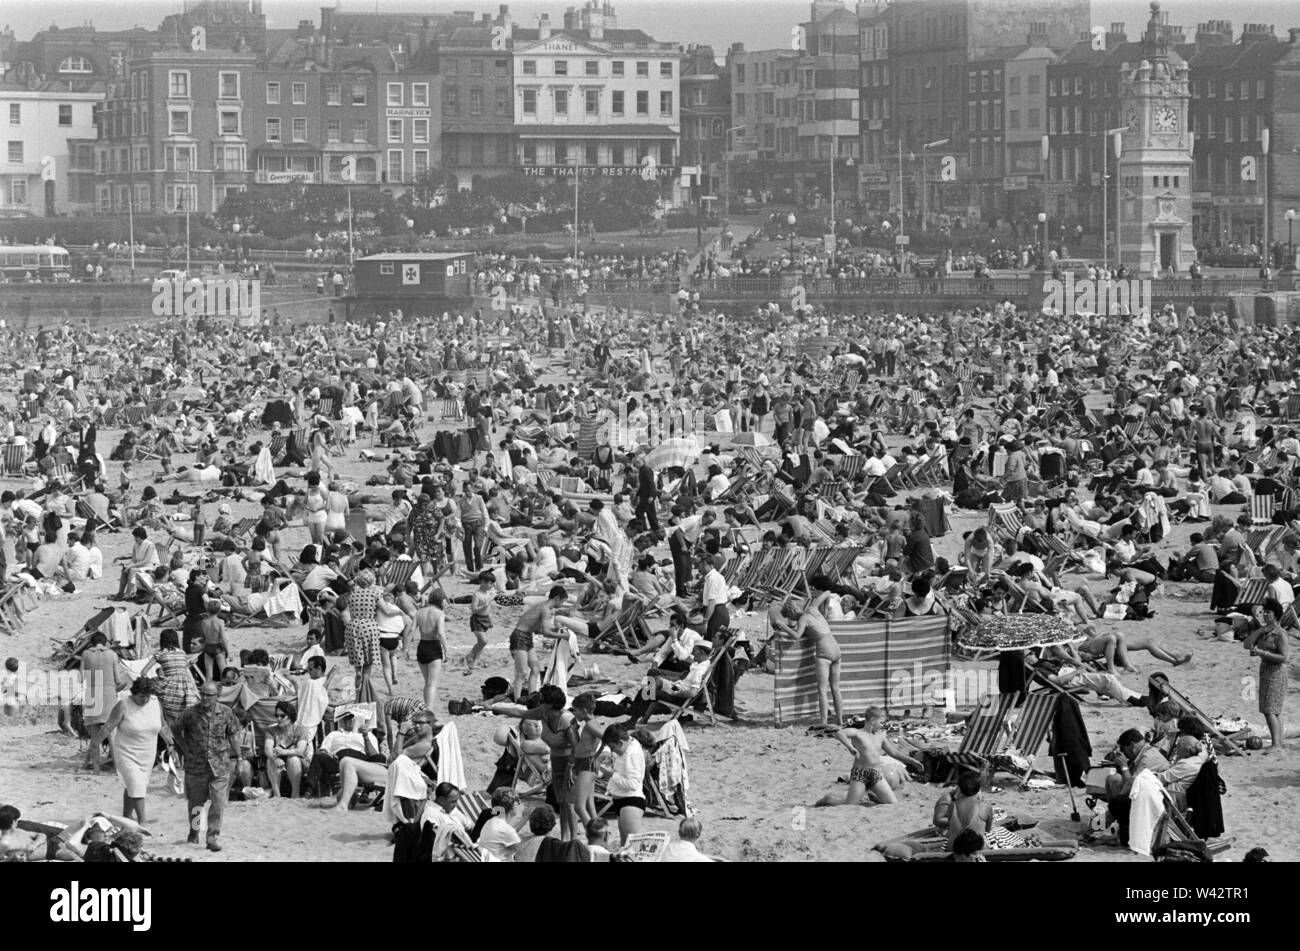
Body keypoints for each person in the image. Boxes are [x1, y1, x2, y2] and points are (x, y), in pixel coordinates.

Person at [173, 682, 243, 852]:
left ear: (217, 695)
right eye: (202, 694)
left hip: (219, 766)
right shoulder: (190, 714)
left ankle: (212, 837)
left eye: (208, 695)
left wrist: (239, 757)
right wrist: (184, 747)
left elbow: (233, 735)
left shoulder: (226, 713)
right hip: (196, 766)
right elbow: (175, 729)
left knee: (218, 803)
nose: (204, 698)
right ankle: (194, 831)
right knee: (196, 804)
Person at [816, 706, 922, 806]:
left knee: (892, 803)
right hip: (860, 774)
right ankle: (829, 798)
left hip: (877, 774)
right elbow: (838, 733)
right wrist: (850, 747)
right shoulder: (858, 733)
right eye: (881, 722)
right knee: (850, 804)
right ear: (872, 720)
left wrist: (912, 761)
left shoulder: (881, 735)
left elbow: (893, 752)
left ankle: (870, 794)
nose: (882, 725)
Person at [105, 679, 171, 826]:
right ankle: (142, 822)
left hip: (147, 754)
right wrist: (94, 744)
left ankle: (126, 817)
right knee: (137, 785)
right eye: (142, 696)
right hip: (126, 752)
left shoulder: (155, 702)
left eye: (147, 696)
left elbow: (163, 726)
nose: (145, 699)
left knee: (133, 786)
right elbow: (109, 726)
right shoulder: (123, 704)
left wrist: (171, 743)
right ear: (133, 694)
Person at [80, 631, 131, 772]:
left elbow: (80, 678)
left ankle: (96, 768)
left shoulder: (85, 654)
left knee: (94, 732)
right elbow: (118, 680)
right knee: (111, 732)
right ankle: (117, 767)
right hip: (109, 693)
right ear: (105, 641)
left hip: (92, 692)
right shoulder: (112, 655)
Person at [1243, 597, 1289, 752]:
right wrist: (1260, 630)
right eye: (1264, 612)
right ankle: (1278, 742)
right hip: (1266, 671)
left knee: (1270, 709)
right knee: (1271, 709)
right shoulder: (1265, 631)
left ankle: (1276, 744)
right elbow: (1247, 644)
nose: (1265, 615)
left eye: (1268, 613)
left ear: (1275, 615)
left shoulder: (1280, 634)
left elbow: (1284, 657)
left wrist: (1263, 652)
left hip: (1276, 672)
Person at [139, 627, 198, 726]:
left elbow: (143, 672)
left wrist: (155, 681)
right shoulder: (182, 653)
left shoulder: (160, 654)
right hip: (186, 686)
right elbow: (183, 669)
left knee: (168, 714)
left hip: (170, 685)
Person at [601, 723, 645, 845]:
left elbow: (633, 784)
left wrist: (611, 775)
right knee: (624, 845)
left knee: (632, 847)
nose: (613, 750)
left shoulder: (632, 754)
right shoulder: (628, 745)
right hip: (621, 799)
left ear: (621, 742)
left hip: (631, 801)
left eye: (613, 747)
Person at [264, 700, 311, 798]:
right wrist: (275, 759)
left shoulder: (300, 729)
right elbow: (267, 748)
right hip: (279, 761)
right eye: (276, 716)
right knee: (270, 760)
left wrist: (283, 752)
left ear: (290, 716)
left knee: (293, 759)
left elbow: (300, 750)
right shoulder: (271, 729)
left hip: (299, 761)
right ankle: (277, 795)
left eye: (282, 716)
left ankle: (295, 794)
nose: (279, 719)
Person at [413, 589, 449, 711]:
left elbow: (410, 630)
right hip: (433, 647)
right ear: (440, 600)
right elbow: (440, 633)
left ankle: (427, 707)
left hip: (422, 646)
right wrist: (446, 649)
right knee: (431, 684)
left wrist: (405, 649)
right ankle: (429, 710)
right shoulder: (439, 614)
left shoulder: (420, 612)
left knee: (427, 682)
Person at [476, 788, 523, 861]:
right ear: (513, 806)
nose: (519, 804)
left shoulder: (490, 822)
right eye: (518, 802)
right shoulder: (506, 830)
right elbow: (522, 853)